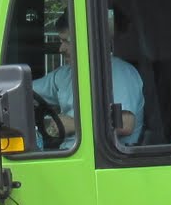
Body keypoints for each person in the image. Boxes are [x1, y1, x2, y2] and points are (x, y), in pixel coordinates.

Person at [34, 13, 146, 146]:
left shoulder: (117, 71)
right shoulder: (66, 73)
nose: (61, 49)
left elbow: (125, 123)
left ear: (87, 39)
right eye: (61, 41)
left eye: (67, 41)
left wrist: (74, 124)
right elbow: (25, 90)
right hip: (68, 153)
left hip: (104, 158)